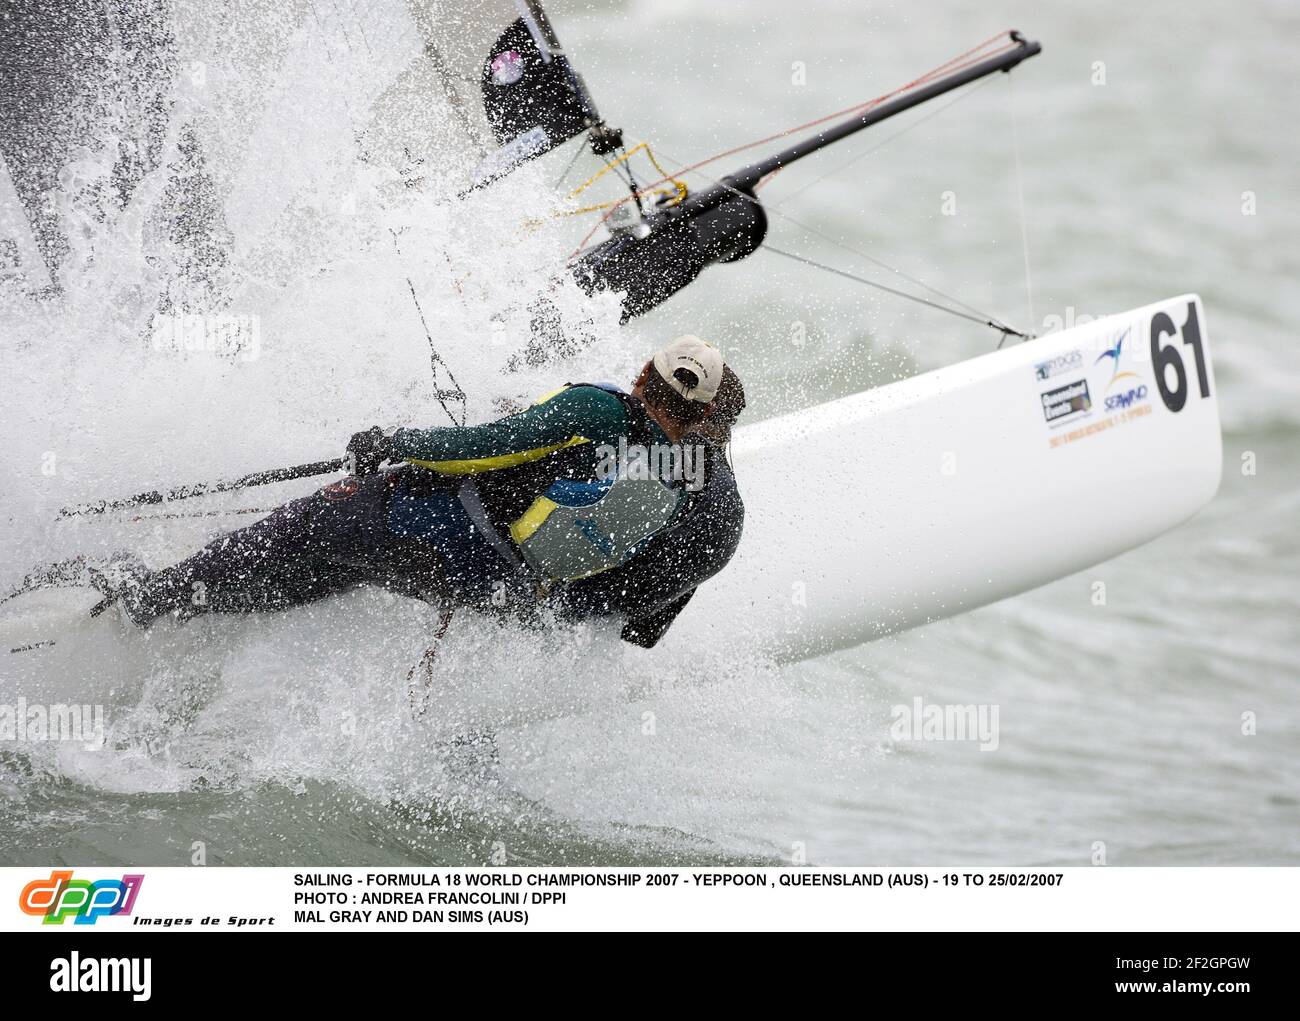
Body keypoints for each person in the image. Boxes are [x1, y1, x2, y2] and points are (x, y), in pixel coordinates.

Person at [115, 336, 746, 647]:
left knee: (315, 527)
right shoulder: (704, 488)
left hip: (445, 535)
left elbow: (487, 445)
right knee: (342, 563)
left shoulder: (600, 413)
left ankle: (151, 600)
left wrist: (394, 441)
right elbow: (654, 603)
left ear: (643, 374)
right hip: (496, 587)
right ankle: (178, 607)